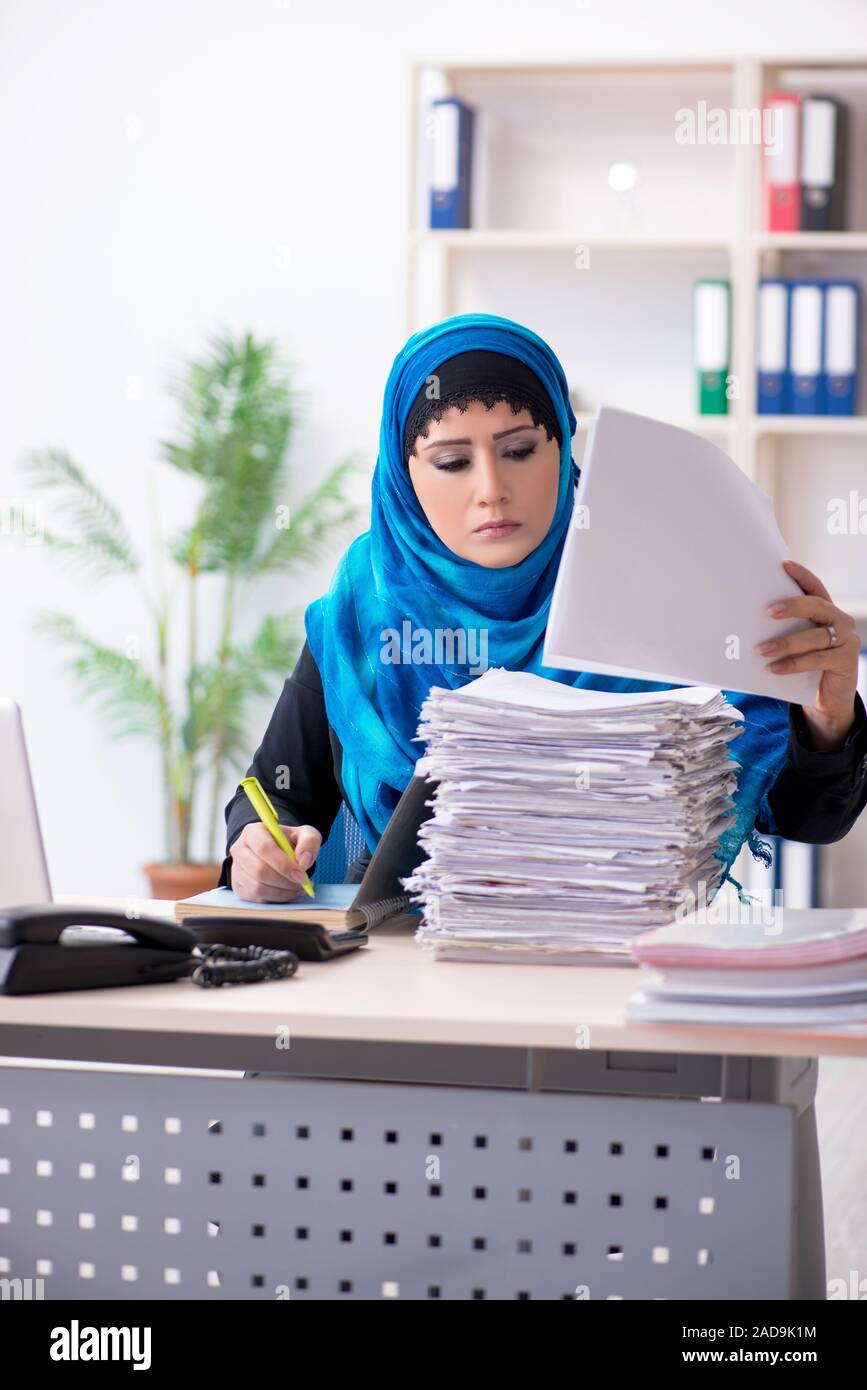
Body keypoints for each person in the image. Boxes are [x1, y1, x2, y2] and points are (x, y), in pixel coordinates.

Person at [219, 313, 867, 904]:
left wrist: (826, 717)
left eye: (520, 451)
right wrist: (257, 848)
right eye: (450, 461)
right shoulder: (363, 612)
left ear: (562, 448)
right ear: (403, 474)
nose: (491, 491)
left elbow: (810, 817)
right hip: (411, 972)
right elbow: (273, 796)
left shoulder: (668, 578)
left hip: (624, 970)